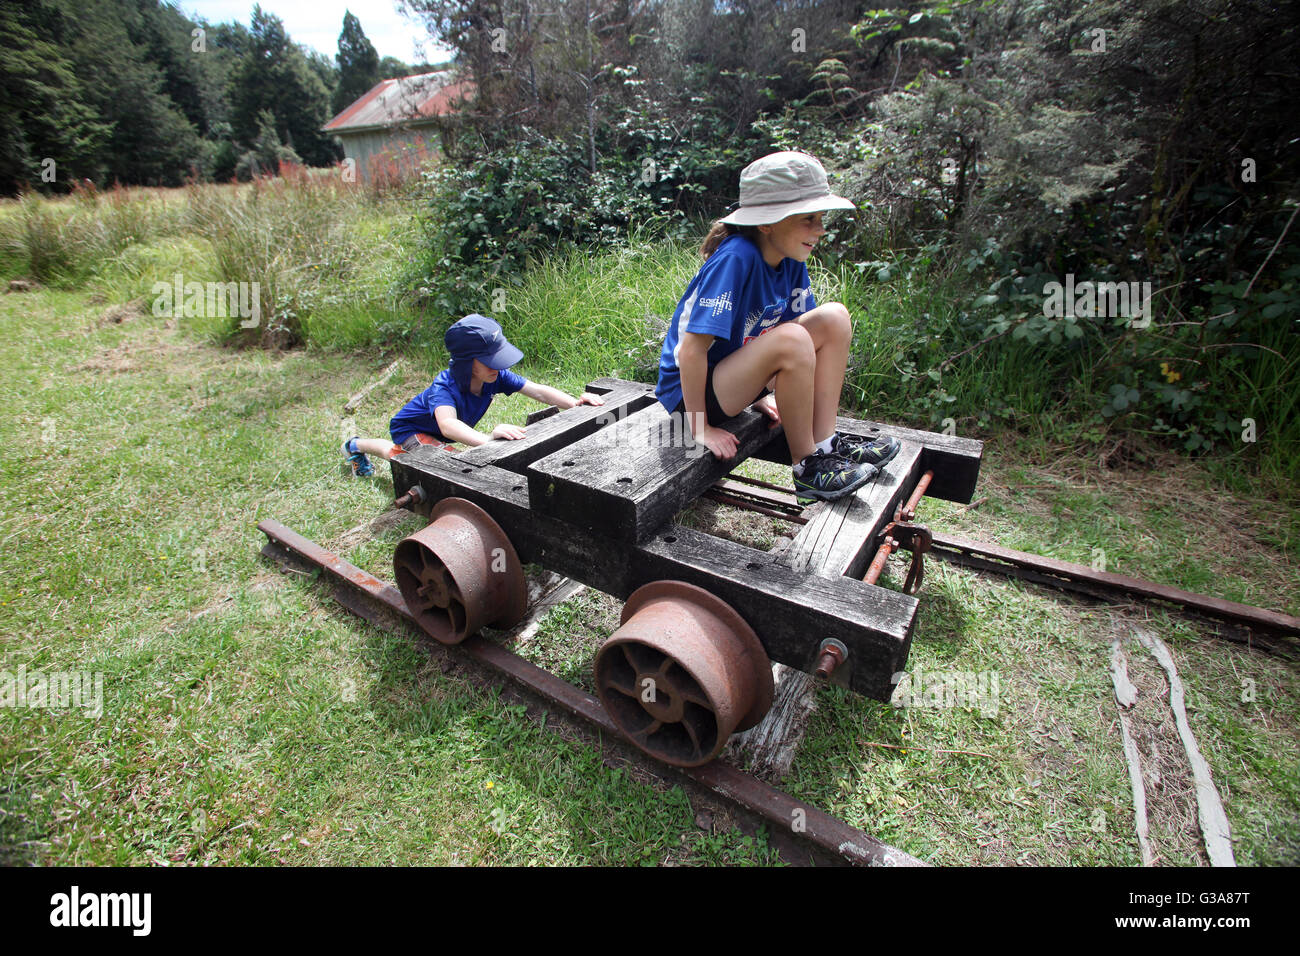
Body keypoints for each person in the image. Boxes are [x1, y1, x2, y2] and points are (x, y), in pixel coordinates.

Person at [654, 151, 899, 501]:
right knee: (794, 337)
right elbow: (692, 351)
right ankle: (807, 469)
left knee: (834, 318)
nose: (820, 229)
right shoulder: (736, 258)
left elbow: (778, 343)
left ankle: (827, 444)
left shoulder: (790, 259)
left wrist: (757, 396)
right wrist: (700, 427)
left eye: (821, 218)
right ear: (767, 222)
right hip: (690, 394)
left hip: (731, 380)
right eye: (808, 219)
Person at [342, 314, 604, 475]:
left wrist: (575, 403)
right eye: (490, 360)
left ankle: (356, 445)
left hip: (439, 433)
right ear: (467, 363)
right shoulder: (444, 386)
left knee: (409, 454)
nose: (498, 366)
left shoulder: (494, 375)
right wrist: (489, 440)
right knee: (439, 463)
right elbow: (448, 425)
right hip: (410, 428)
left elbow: (537, 390)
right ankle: (354, 446)